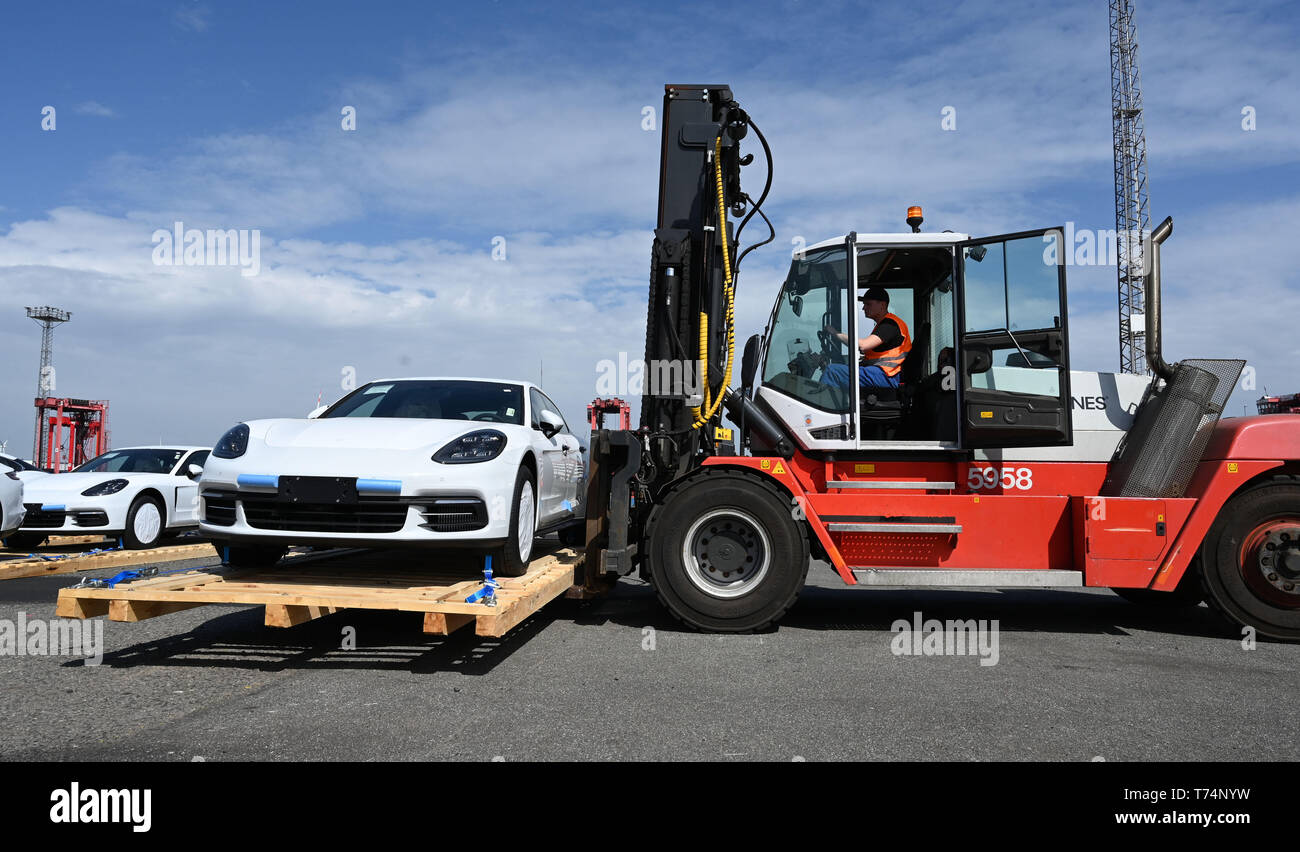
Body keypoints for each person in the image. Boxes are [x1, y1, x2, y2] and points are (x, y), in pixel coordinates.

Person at [821, 286, 912, 390]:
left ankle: (821, 404)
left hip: (888, 376)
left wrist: (835, 333)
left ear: (882, 305)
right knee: (840, 369)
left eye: (868, 304)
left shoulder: (890, 324)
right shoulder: (884, 324)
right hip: (883, 374)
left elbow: (863, 346)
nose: (864, 308)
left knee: (833, 371)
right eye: (864, 304)